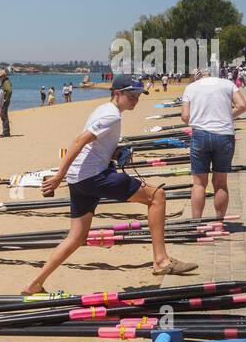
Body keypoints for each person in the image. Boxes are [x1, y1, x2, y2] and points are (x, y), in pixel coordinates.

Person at [21, 75, 198, 294]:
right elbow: (78, 141)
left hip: (81, 178)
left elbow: (93, 146)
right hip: (94, 176)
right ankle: (160, 260)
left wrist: (115, 152)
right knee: (157, 197)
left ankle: (34, 284)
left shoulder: (104, 110)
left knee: (76, 237)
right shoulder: (111, 116)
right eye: (131, 95)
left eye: (138, 95)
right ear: (117, 93)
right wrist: (59, 176)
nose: (135, 99)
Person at [181, 69, 246, 220]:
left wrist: (199, 120)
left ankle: (196, 222)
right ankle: (219, 221)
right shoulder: (228, 84)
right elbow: (242, 105)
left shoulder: (191, 87)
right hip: (224, 135)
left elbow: (185, 116)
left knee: (199, 183)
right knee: (220, 182)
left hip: (201, 135)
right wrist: (225, 116)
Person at [0, 70, 13, 137]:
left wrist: (6, 99)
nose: (0, 78)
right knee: (3, 116)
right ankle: (6, 131)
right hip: (4, 102)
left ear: (4, 76)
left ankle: (6, 132)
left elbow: (9, 91)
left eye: (0, 77)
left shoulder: (6, 82)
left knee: (3, 116)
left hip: (5, 102)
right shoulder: (4, 82)